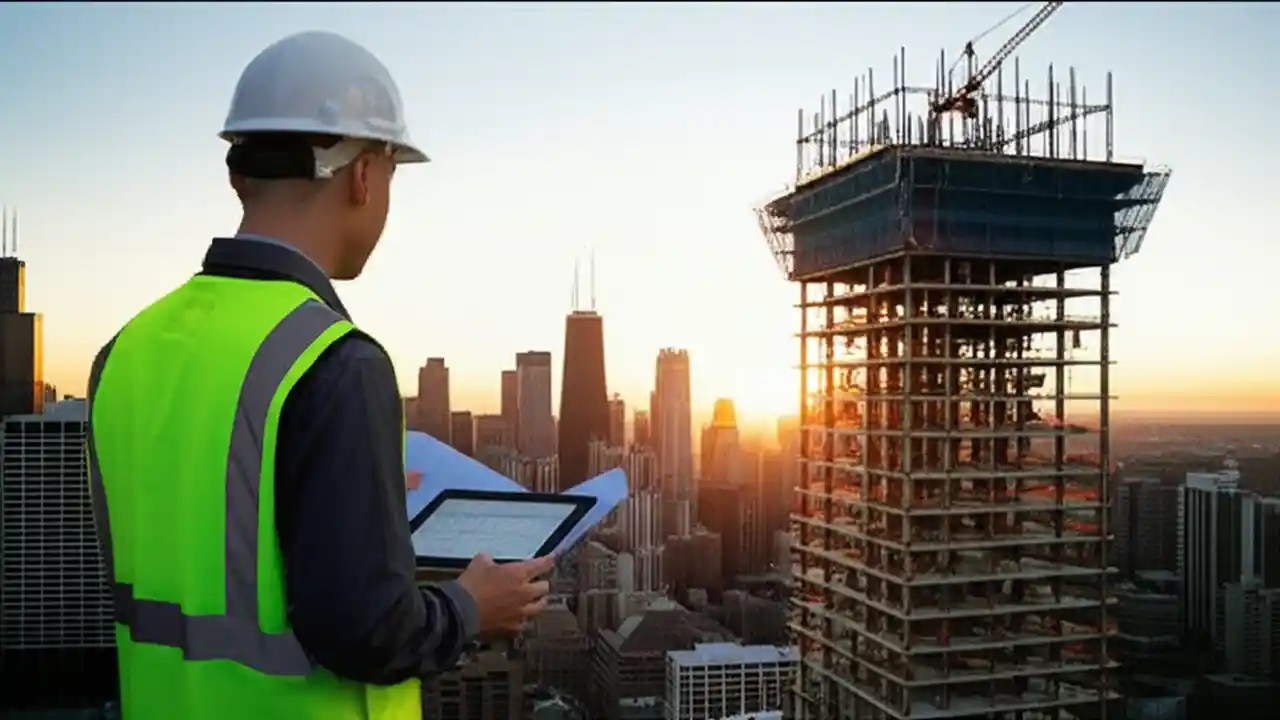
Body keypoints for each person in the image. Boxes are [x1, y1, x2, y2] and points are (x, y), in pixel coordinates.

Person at [86, 31, 553, 719]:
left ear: (237, 173)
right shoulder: (335, 361)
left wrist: (354, 496)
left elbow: (211, 535)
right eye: (392, 173)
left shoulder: (124, 351)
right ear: (364, 175)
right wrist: (470, 607)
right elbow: (364, 630)